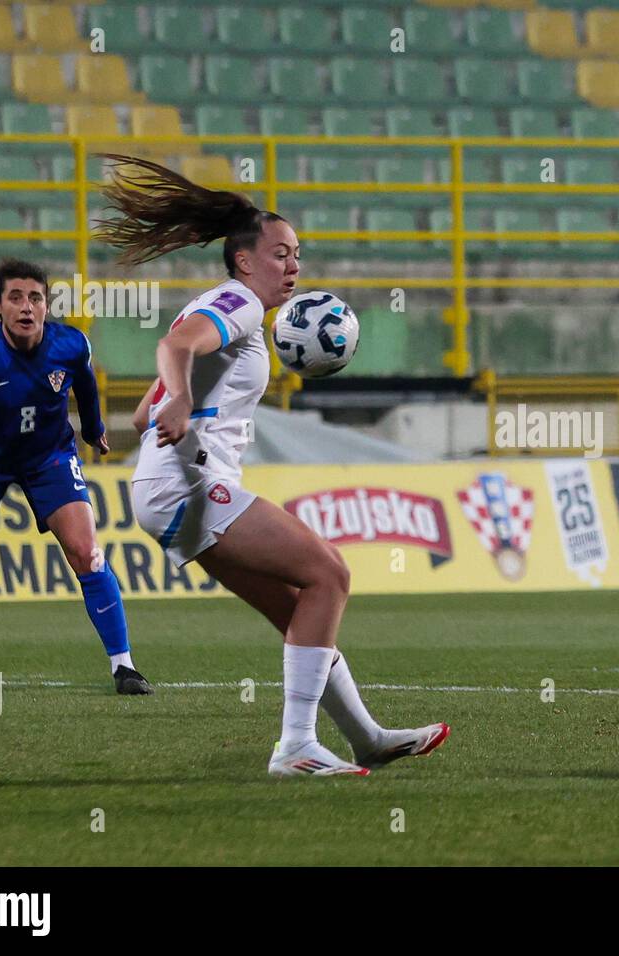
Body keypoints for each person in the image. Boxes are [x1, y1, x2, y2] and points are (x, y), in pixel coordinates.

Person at [93, 154, 449, 777]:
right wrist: (176, 397)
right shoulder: (238, 305)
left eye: (298, 255)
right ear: (244, 260)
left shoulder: (225, 308)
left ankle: (365, 738)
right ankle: (295, 746)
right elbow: (174, 347)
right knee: (329, 576)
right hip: (190, 486)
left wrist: (166, 402)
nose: (294, 265)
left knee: (297, 612)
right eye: (282, 253)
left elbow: (148, 404)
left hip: (170, 485)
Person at [0, 258, 152, 696]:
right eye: (15, 297)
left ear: (46, 305)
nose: (26, 307)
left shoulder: (72, 345)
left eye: (35, 298)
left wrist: (94, 428)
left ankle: (125, 667)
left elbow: (86, 385)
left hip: (49, 458)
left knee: (87, 552)